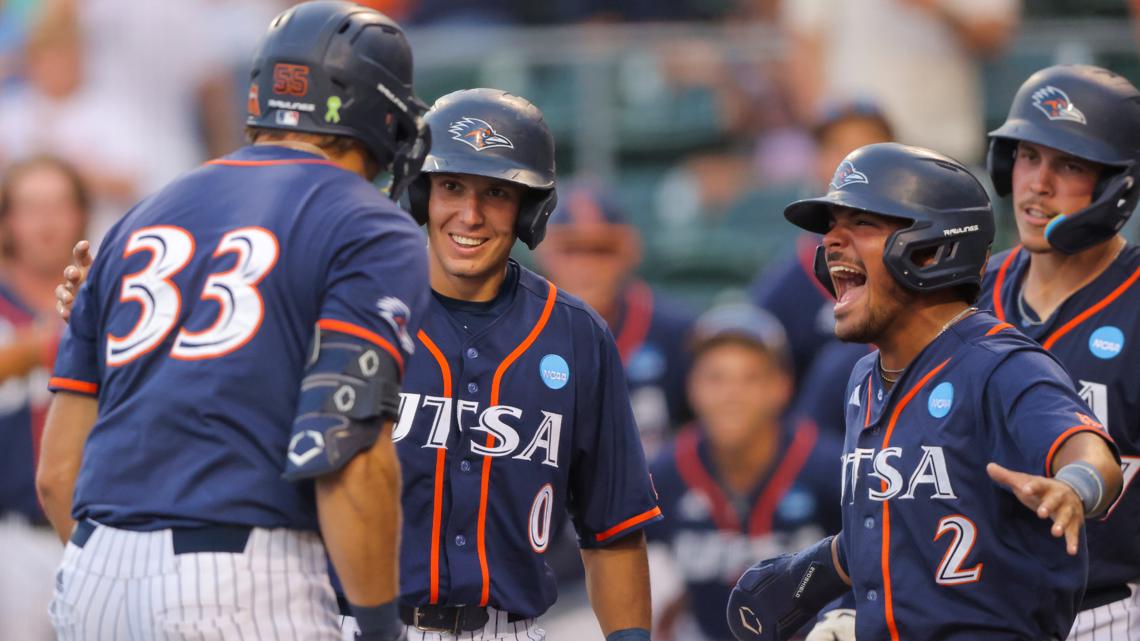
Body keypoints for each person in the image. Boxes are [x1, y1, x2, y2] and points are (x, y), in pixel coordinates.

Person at [37, 3, 431, 640]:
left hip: (92, 577)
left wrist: (120, 570)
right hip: (239, 580)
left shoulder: (141, 215)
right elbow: (346, 453)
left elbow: (57, 475)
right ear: (378, 111)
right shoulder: (365, 222)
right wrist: (381, 628)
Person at [727, 142, 1123, 641]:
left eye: (862, 224)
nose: (831, 242)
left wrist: (1074, 487)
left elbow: (1092, 453)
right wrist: (830, 581)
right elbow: (900, 525)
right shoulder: (863, 378)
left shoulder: (999, 363)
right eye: (831, 226)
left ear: (933, 249)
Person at [340, 86, 659, 641]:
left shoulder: (577, 335)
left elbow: (614, 530)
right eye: (452, 187)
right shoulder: (359, 310)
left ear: (528, 207)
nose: (470, 214)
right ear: (422, 194)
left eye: (496, 192)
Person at [980, 63, 1140, 639]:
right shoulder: (964, 296)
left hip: (1105, 614)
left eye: (1068, 164)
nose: (1037, 184)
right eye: (1027, 156)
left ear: (1115, 185)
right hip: (973, 607)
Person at [646, 303, 841, 641]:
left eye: (750, 377)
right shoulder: (663, 474)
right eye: (716, 377)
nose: (731, 395)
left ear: (781, 386)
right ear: (692, 386)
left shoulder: (828, 466)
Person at [535, 180, 694, 457]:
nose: (587, 266)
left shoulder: (676, 332)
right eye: (571, 250)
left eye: (601, 250)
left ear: (630, 251)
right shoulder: (514, 328)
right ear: (546, 253)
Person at [0, 155, 89, 641]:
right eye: (31, 207)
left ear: (81, 214)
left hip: (100, 533)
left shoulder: (108, 296)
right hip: (14, 536)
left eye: (59, 205)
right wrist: (43, 346)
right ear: (8, 220)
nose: (47, 222)